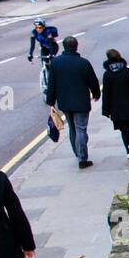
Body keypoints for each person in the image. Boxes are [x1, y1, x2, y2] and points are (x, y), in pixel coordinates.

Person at [45, 37, 100, 169]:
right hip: (81, 102)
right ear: (76, 46)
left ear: (64, 47)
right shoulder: (84, 63)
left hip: (65, 102)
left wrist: (51, 101)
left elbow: (51, 84)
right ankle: (82, 158)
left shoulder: (56, 63)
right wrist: (96, 94)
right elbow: (93, 81)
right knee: (81, 129)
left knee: (72, 128)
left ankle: (77, 152)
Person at [101, 49, 129, 158]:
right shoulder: (127, 72)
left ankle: (128, 151)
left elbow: (106, 94)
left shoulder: (107, 75)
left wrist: (106, 110)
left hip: (116, 109)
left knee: (124, 131)